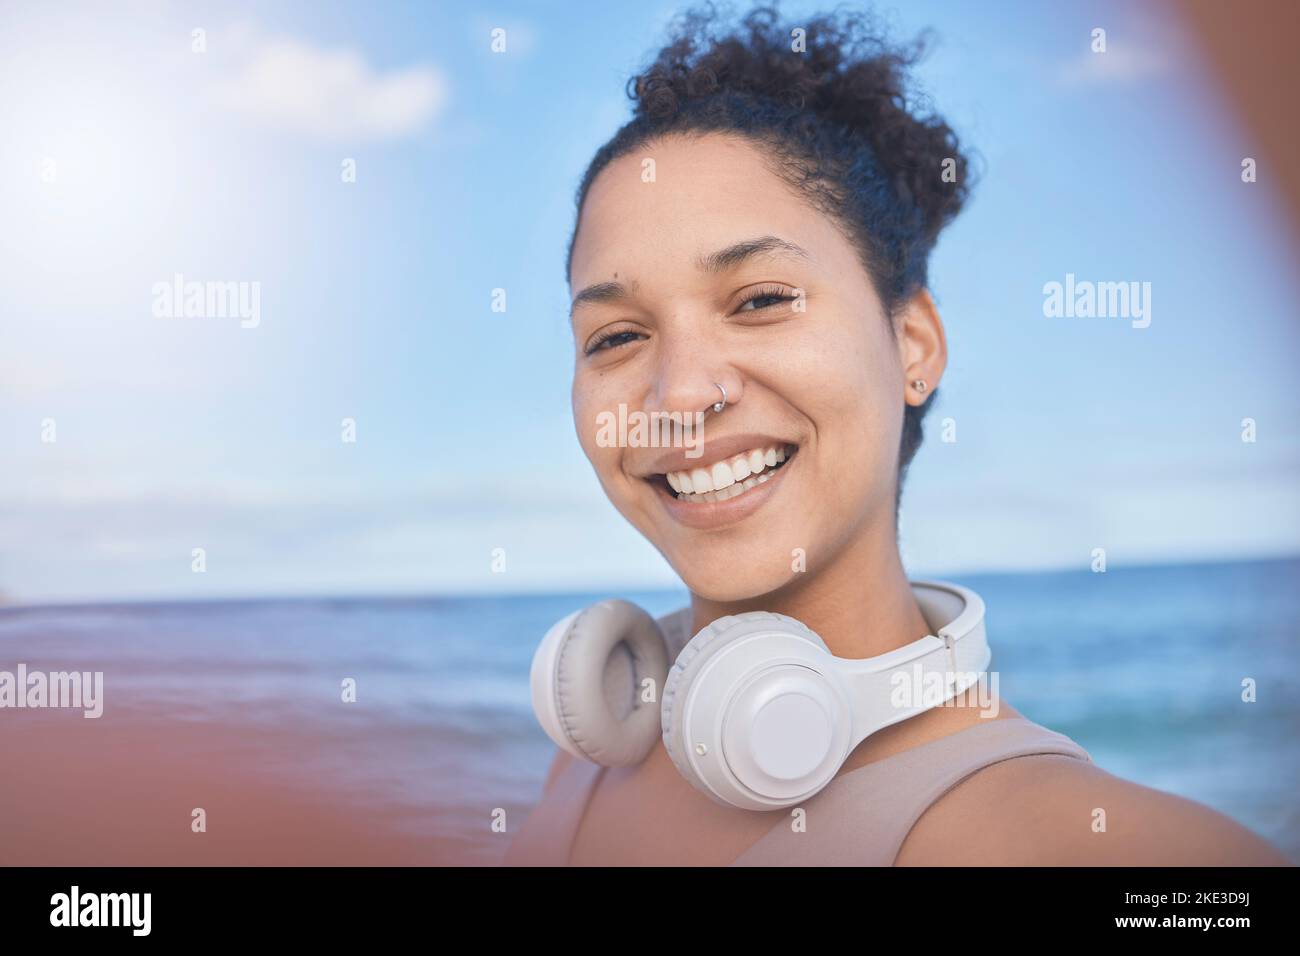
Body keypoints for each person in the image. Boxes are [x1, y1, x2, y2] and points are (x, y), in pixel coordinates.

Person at [504, 2, 1289, 866]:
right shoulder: (585, 767)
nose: (682, 391)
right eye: (616, 337)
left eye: (762, 299)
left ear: (913, 345)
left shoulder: (1115, 852)